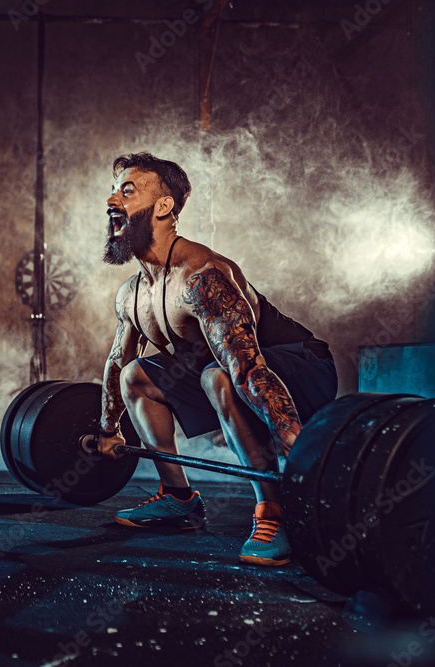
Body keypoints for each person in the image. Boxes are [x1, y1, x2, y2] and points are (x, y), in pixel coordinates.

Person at [96, 152, 337, 567]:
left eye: (127, 191)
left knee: (217, 376)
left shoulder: (202, 276)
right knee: (136, 376)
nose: (112, 200)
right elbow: (119, 362)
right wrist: (107, 429)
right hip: (227, 371)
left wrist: (294, 444)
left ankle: (273, 512)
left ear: (164, 206)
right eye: (113, 190)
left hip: (300, 366)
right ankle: (178, 498)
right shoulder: (132, 293)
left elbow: (246, 369)